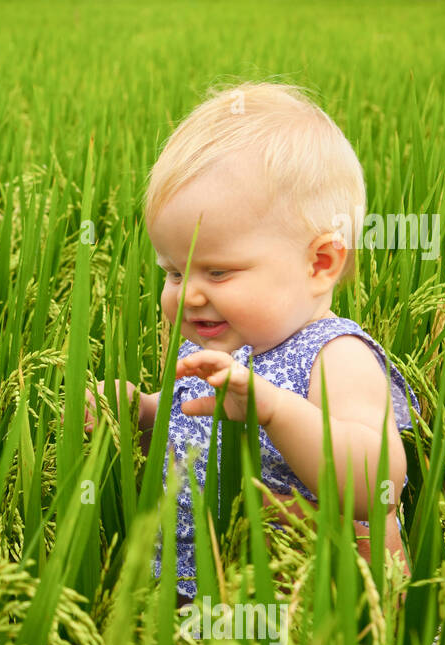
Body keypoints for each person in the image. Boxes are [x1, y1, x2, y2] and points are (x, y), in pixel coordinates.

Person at [86, 82, 419, 605]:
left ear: (320, 263)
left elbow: (377, 484)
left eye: (218, 272)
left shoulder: (335, 356)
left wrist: (274, 411)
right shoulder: (223, 351)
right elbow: (188, 435)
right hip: (188, 598)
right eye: (173, 272)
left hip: (303, 615)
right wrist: (142, 413)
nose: (189, 295)